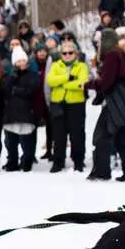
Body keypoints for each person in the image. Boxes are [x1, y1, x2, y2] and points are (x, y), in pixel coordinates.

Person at [87, 29, 125, 182]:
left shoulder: (112, 55)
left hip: (115, 102)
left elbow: (107, 82)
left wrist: (89, 84)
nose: (98, 45)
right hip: (122, 101)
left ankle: (101, 172)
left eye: (100, 41)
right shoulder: (119, 53)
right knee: (123, 137)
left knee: (101, 136)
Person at [46, 41, 89, 172]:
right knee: (58, 134)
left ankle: (78, 161)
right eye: (64, 53)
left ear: (75, 54)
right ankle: (58, 161)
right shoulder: (55, 65)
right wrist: (68, 77)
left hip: (76, 103)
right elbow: (50, 80)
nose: (67, 55)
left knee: (77, 134)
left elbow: (81, 83)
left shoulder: (82, 66)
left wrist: (62, 84)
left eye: (70, 53)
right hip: (58, 103)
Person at [1, 47, 39, 171]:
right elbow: (5, 90)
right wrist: (13, 78)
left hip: (26, 112)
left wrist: (15, 90)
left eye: (23, 60)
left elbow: (31, 91)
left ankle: (27, 162)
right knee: (10, 142)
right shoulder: (9, 76)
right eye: (19, 61)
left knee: (27, 141)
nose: (21, 63)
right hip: (11, 112)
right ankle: (12, 162)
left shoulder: (32, 75)